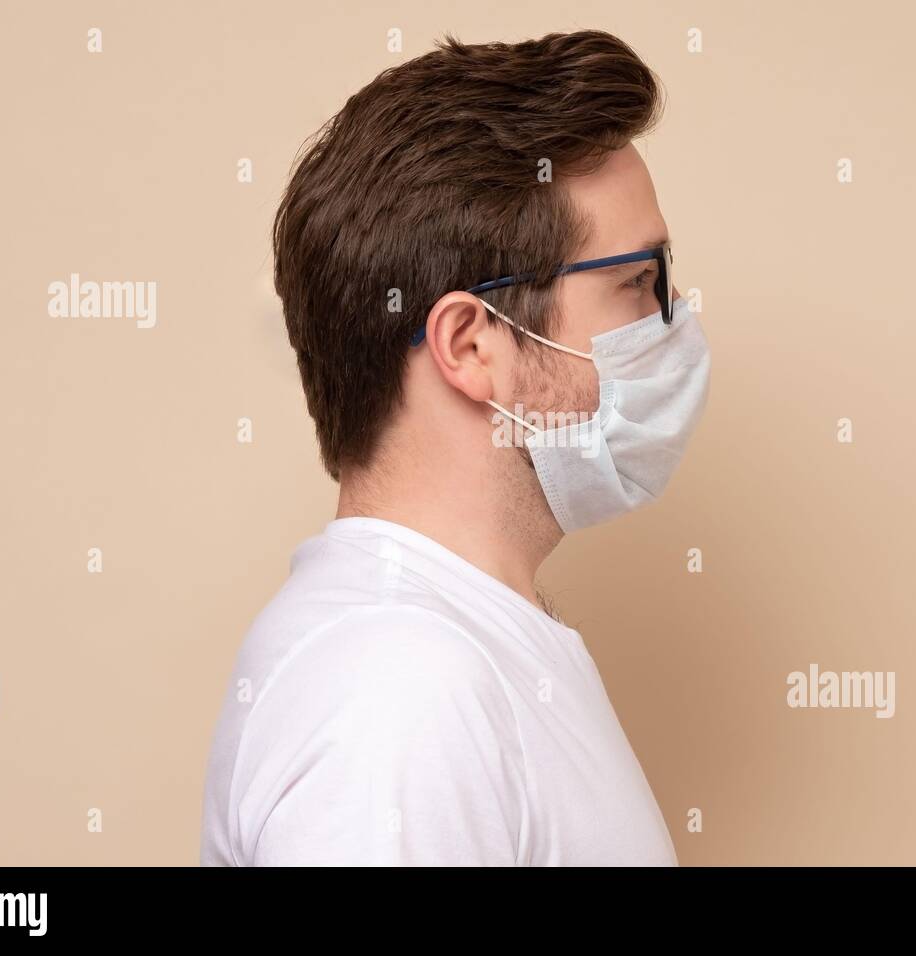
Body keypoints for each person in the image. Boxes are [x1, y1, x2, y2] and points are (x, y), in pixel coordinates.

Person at [200, 29, 710, 866]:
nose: (674, 320)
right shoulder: (399, 687)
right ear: (473, 345)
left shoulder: (467, 646)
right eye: (638, 282)